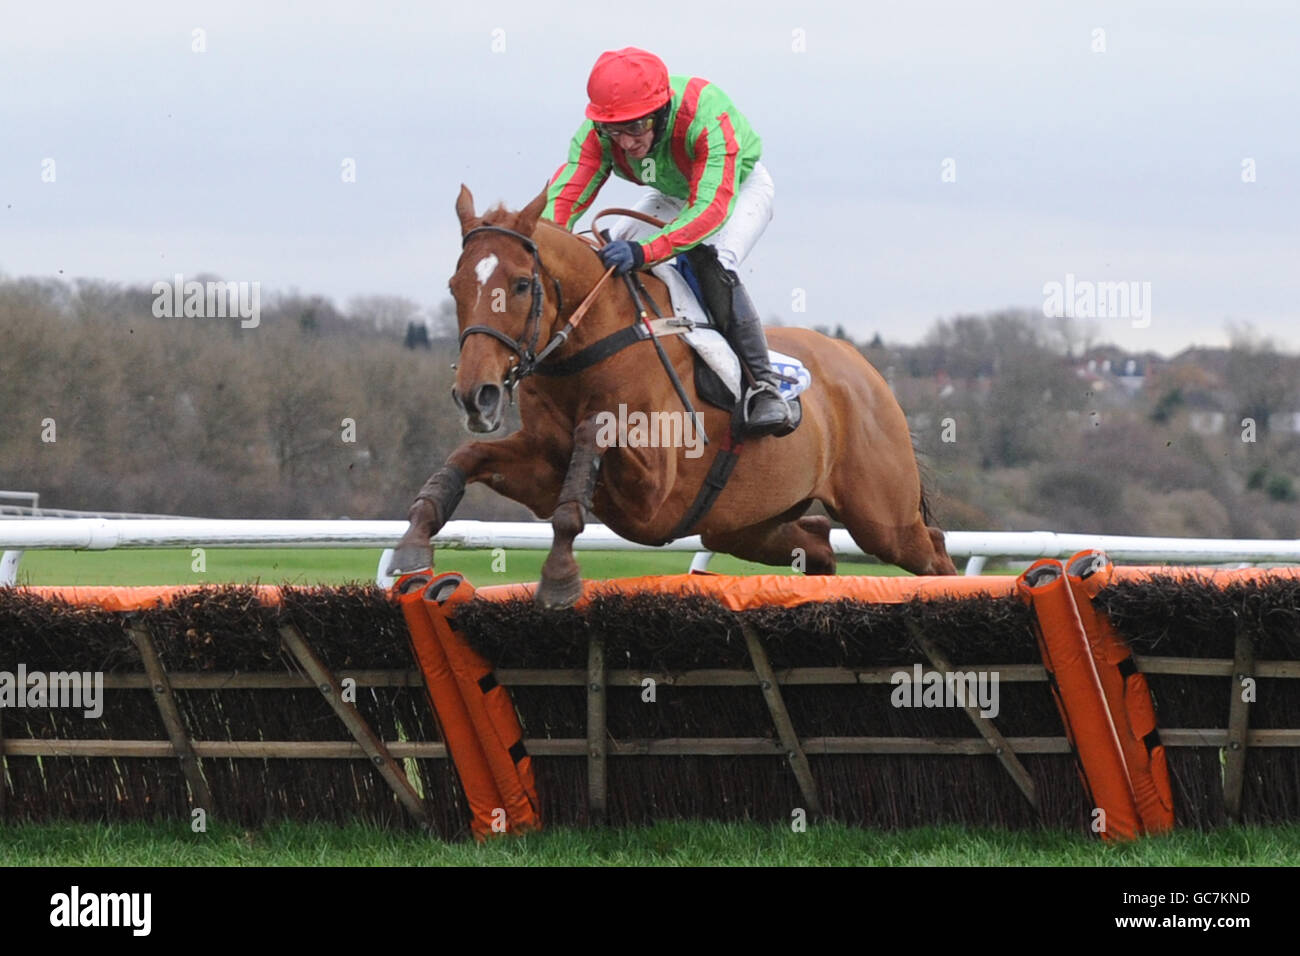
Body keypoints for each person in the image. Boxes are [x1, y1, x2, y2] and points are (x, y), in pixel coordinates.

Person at [542, 47, 795, 437]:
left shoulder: (707, 114)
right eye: (614, 130)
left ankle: (764, 387)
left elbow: (710, 209)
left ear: (662, 111)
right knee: (607, 256)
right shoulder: (599, 132)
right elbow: (564, 199)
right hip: (670, 191)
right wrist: (541, 247)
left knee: (711, 258)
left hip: (736, 188)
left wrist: (645, 251)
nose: (625, 143)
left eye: (637, 126)